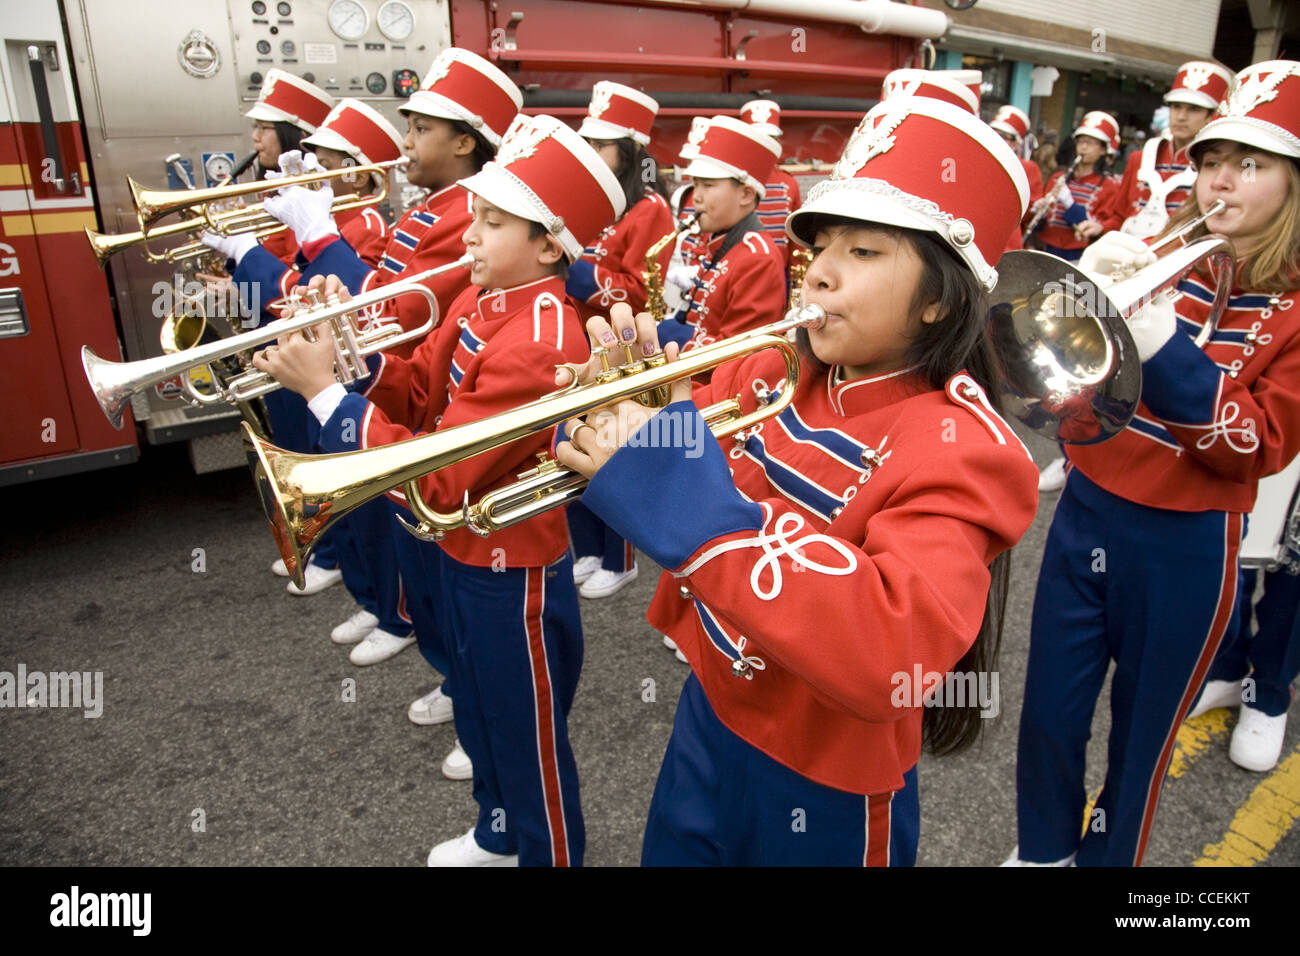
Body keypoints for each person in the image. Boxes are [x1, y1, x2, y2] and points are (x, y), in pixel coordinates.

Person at [554, 93, 1038, 865]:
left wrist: (686, 500)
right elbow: (651, 451)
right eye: (821, 249)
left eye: (865, 252)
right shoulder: (771, 370)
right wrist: (604, 409)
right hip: (709, 715)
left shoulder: (962, 446)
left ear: (941, 299)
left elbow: (892, 650)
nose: (819, 275)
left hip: (831, 780)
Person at [255, 113, 624, 866]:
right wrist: (350, 354)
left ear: (549, 245)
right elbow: (423, 391)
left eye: (493, 223)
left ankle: (547, 853)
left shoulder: (544, 335)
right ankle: (497, 831)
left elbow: (448, 472)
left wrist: (327, 398)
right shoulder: (480, 302)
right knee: (482, 716)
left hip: (510, 571)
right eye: (475, 217)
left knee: (529, 746)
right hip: (460, 549)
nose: (470, 235)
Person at [1008, 60, 1300, 867]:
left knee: (1141, 738)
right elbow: (1076, 389)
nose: (1219, 181)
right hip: (1089, 509)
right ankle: (1043, 849)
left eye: (1251, 164)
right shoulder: (1177, 253)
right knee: (1048, 713)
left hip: (1188, 540)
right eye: (1211, 160)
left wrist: (1160, 342)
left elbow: (1256, 446)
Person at [565, 82, 674, 600]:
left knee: (612, 445)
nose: (590, 154)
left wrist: (580, 275)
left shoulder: (651, 208)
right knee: (573, 439)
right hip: (582, 340)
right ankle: (587, 547)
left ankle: (619, 557)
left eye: (601, 146)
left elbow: (641, 289)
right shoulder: (596, 203)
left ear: (628, 153)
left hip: (623, 345)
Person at [658, 115, 787, 352]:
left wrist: (683, 339)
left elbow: (742, 351)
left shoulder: (758, 258)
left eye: (707, 185)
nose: (696, 196)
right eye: (696, 184)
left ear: (746, 195)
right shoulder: (718, 242)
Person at [1111, 61, 1235, 239]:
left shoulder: (1216, 167)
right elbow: (1120, 214)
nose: (1181, 117)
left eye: (1194, 109)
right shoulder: (1139, 157)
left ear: (1211, 115)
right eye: (1176, 106)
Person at [243, 70, 334, 266]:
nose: (255, 136)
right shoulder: (274, 189)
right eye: (255, 126)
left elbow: (295, 266)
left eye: (265, 128)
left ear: (298, 137)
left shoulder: (307, 196)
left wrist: (242, 251)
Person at [1028, 110, 1122, 262]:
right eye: (1080, 141)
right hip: (1047, 248)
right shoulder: (1058, 177)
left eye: (1090, 142)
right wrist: (1040, 212)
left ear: (1103, 149)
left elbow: (1096, 228)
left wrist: (1069, 203)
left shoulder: (1110, 185)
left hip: (1080, 254)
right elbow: (1042, 226)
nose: (1083, 147)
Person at [739, 99, 802, 266]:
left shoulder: (788, 183)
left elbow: (796, 243)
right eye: (757, 139)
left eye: (769, 139)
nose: (764, 146)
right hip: (737, 269)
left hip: (778, 272)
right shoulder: (732, 181)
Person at [989, 105, 1046, 251]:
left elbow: (1028, 215)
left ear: (1014, 143)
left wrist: (1036, 208)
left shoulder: (1027, 168)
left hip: (1007, 242)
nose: (995, 138)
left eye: (1002, 135)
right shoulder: (978, 161)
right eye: (992, 132)